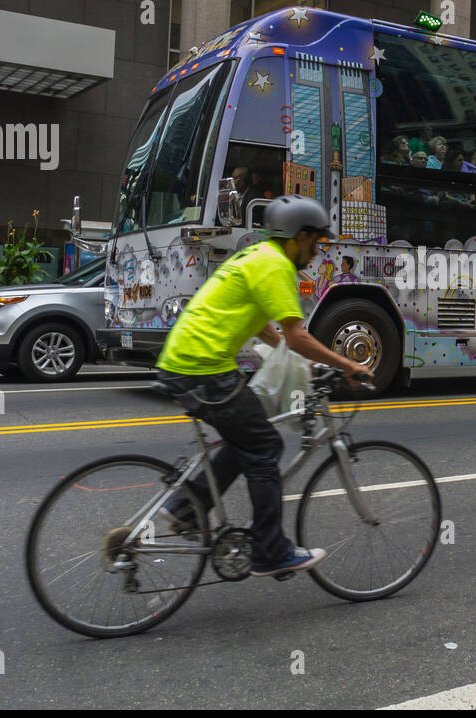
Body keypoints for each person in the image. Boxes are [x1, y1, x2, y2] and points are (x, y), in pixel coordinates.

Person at [155, 195, 370, 577]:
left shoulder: (255, 256)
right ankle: (271, 552)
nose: (317, 252)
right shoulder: (277, 265)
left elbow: (259, 325)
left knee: (247, 437)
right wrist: (346, 364)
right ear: (300, 236)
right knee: (265, 443)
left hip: (184, 363)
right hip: (203, 369)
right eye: (317, 242)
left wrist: (297, 360)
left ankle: (185, 509)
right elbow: (297, 334)